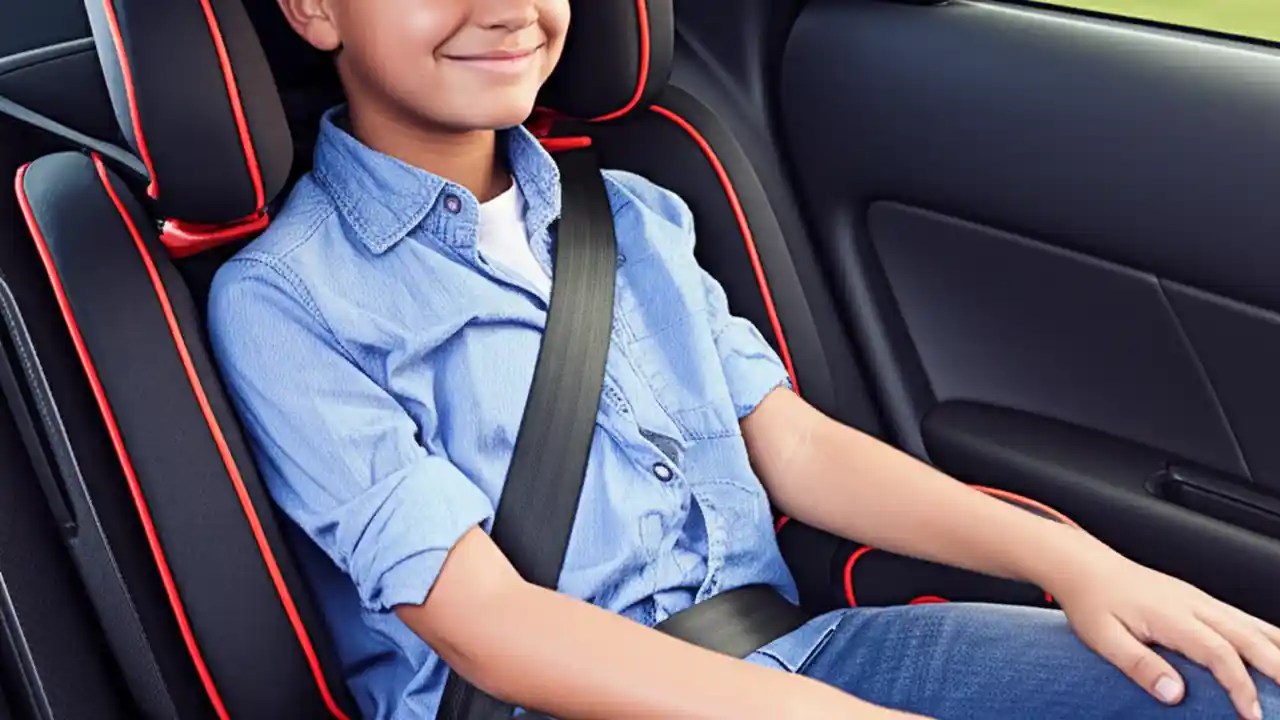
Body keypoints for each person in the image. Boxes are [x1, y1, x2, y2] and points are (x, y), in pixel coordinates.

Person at [205, 1, 1280, 718]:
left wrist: (1071, 561)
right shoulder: (290, 300)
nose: (504, 7)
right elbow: (488, 627)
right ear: (313, 8)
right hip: (573, 699)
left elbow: (794, 446)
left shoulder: (626, 215)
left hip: (799, 655)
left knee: (1227, 687)